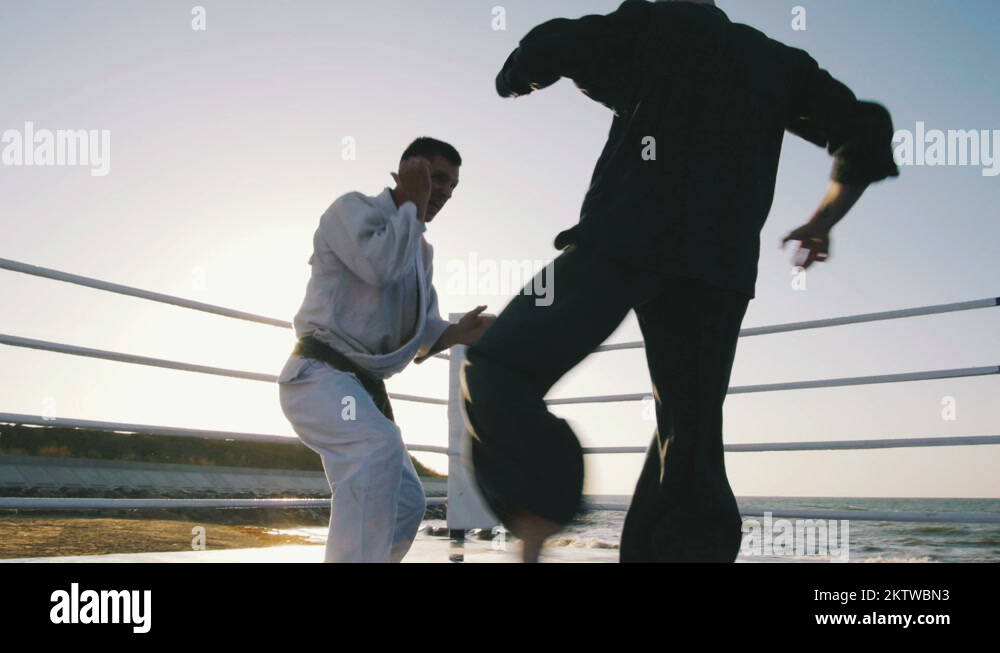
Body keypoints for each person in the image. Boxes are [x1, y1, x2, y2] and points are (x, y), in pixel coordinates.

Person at [460, 0, 899, 562]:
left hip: (621, 240)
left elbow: (550, 43)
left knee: (498, 367)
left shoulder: (645, 23)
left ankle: (539, 505)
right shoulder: (777, 62)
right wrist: (823, 220)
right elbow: (865, 130)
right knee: (687, 437)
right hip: (718, 269)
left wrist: (517, 77)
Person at [279, 137, 491, 563]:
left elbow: (421, 330)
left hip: (360, 388)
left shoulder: (419, 250)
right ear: (408, 172)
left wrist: (456, 333)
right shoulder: (352, 210)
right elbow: (378, 268)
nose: (445, 193)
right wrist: (411, 204)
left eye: (452, 186)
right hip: (318, 374)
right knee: (376, 448)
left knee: (406, 502)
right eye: (437, 179)